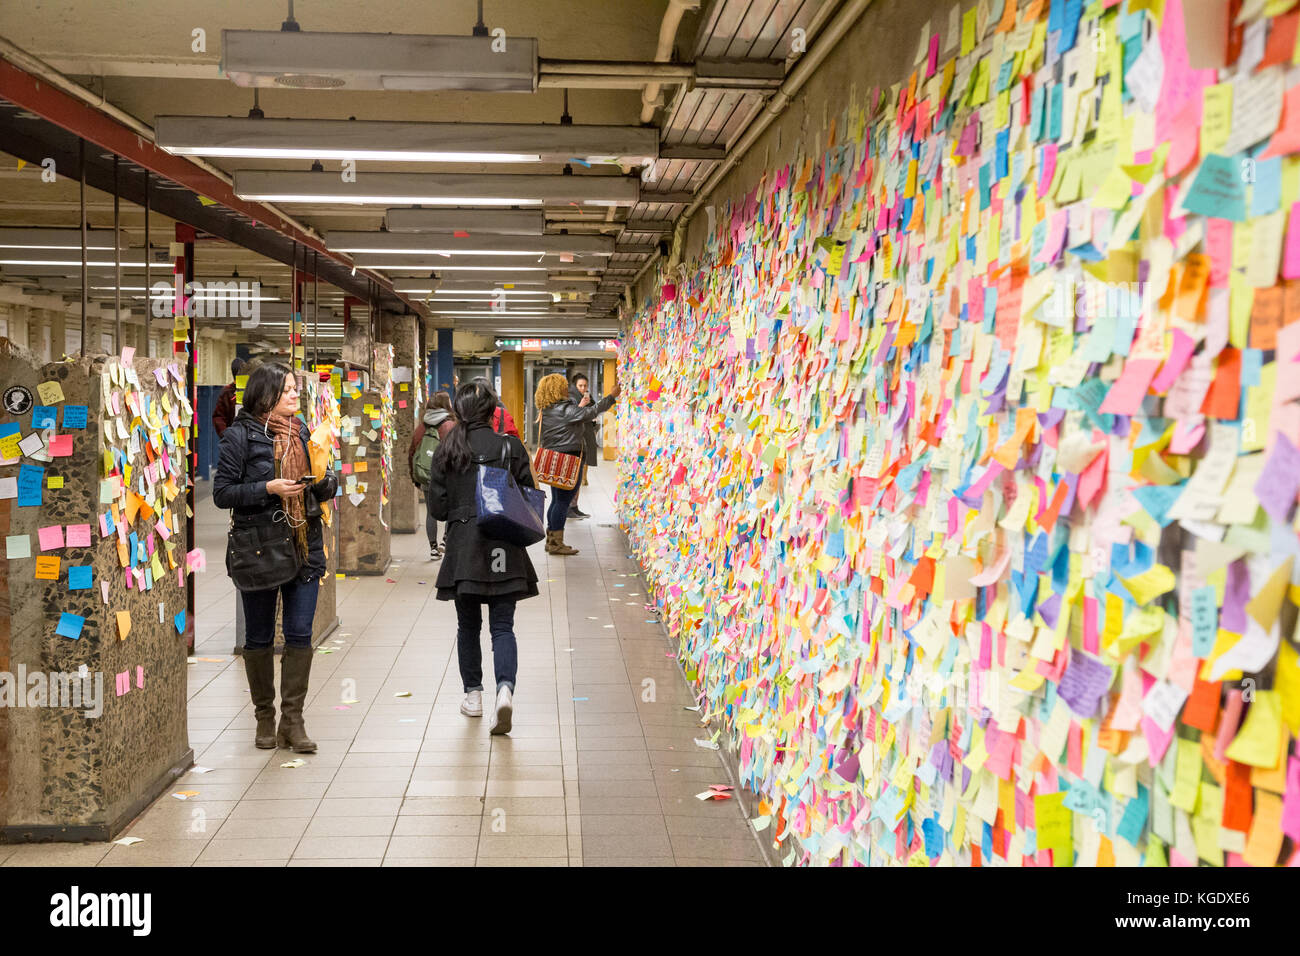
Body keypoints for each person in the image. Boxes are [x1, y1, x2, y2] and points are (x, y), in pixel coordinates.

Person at [214, 363, 338, 753]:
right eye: (287, 390)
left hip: (304, 543)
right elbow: (223, 493)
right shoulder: (239, 436)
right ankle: (264, 717)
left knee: (300, 633)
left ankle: (293, 719)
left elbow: (324, 479)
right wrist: (268, 487)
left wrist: (322, 483)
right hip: (260, 547)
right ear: (265, 396)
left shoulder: (302, 431)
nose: (295, 395)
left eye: (294, 389)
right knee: (260, 636)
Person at [427, 380, 539, 734]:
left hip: (463, 550)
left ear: (458, 412)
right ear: (494, 411)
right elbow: (528, 493)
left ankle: (473, 695)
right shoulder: (510, 446)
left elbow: (438, 509)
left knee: (468, 626)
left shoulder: (448, 449)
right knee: (503, 626)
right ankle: (504, 689)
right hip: (503, 546)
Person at [535, 371, 618, 555]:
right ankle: (556, 543)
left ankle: (551, 540)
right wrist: (612, 396)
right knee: (563, 502)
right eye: (563, 385)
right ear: (557, 389)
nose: (567, 388)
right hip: (569, 459)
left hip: (555, 458)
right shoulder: (564, 409)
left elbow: (579, 415)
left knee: (557, 500)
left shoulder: (549, 409)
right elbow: (592, 412)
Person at [409, 392, 456, 560]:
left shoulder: (421, 427)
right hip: (448, 476)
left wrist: (415, 478)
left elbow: (412, 453)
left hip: (428, 476)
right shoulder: (451, 426)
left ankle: (433, 549)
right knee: (452, 509)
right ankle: (445, 540)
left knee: (431, 513)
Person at [567, 372, 599, 520]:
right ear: (574, 386)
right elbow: (572, 417)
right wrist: (582, 406)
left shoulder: (587, 398)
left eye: (585, 385)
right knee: (573, 477)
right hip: (574, 441)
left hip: (584, 438)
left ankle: (574, 506)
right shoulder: (571, 399)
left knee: (578, 477)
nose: (583, 388)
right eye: (580, 385)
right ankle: (569, 508)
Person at [212, 358, 245, 437]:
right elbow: (218, 417)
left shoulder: (251, 389)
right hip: (233, 438)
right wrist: (225, 434)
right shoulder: (227, 392)